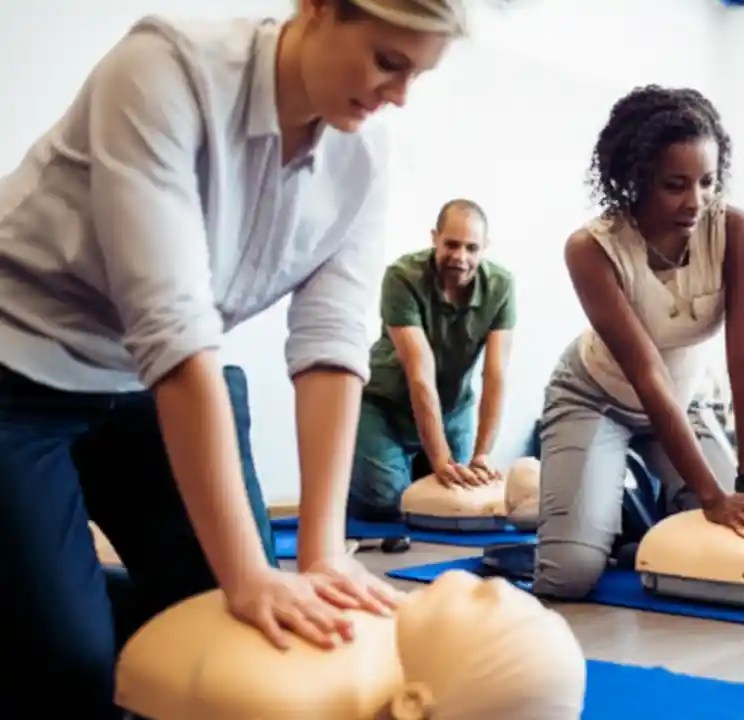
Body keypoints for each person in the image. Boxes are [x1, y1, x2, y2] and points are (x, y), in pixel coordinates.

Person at [0, 1, 465, 716]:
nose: (397, 95)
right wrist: (248, 570)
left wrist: (322, 553)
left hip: (141, 388)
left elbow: (332, 345)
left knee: (238, 623)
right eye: (386, 61)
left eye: (419, 75)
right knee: (70, 662)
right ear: (316, 8)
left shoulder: (363, 156)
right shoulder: (163, 69)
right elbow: (174, 330)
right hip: (18, 373)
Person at [532, 85, 744, 599]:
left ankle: (632, 530)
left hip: (684, 401)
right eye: (676, 185)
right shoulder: (591, 249)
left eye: (707, 182)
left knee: (740, 541)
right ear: (636, 180)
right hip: (598, 397)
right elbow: (648, 375)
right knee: (570, 576)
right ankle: (592, 527)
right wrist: (711, 495)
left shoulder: (735, 230)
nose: (695, 202)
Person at [348, 199, 515, 520]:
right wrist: (440, 460)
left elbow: (495, 374)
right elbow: (419, 375)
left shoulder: (502, 286)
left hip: (453, 409)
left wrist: (482, 454)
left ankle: (411, 472)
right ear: (434, 238)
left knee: (459, 497)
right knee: (385, 503)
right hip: (386, 405)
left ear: (485, 248)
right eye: (451, 244)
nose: (460, 257)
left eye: (471, 248)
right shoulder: (402, 277)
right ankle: (367, 471)